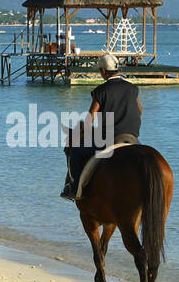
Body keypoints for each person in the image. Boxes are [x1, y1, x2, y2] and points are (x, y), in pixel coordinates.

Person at [61, 52, 143, 200]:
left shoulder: (101, 91)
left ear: (104, 72)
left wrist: (79, 137)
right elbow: (140, 110)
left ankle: (75, 189)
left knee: (76, 153)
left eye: (100, 71)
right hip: (132, 138)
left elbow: (90, 118)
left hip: (110, 139)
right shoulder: (132, 88)